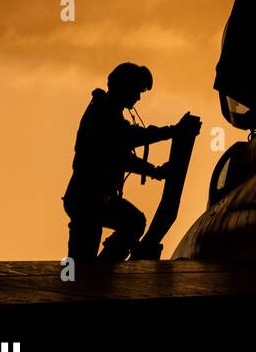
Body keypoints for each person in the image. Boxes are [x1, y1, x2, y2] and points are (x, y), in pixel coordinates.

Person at [62, 62, 196, 261]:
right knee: (84, 263)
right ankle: (98, 275)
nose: (139, 97)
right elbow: (130, 138)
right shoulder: (103, 113)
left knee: (131, 224)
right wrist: (173, 131)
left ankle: (99, 274)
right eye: (137, 90)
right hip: (88, 200)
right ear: (124, 87)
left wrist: (156, 171)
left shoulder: (108, 112)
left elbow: (123, 157)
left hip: (92, 199)